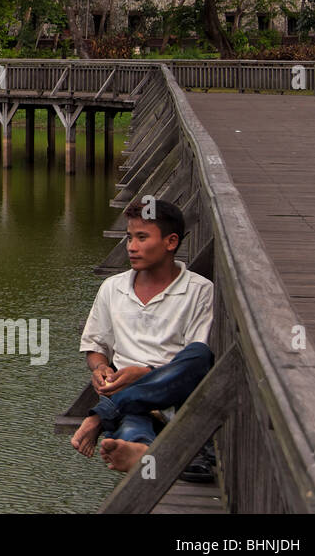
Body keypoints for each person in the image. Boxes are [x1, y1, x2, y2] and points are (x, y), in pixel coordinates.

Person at [71, 198, 215, 473]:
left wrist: (145, 373)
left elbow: (193, 365)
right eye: (128, 238)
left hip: (175, 394)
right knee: (133, 428)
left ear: (171, 242)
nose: (131, 247)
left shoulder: (199, 290)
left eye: (141, 238)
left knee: (200, 355)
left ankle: (104, 416)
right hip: (129, 396)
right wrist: (101, 367)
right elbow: (95, 345)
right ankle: (145, 451)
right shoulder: (113, 288)